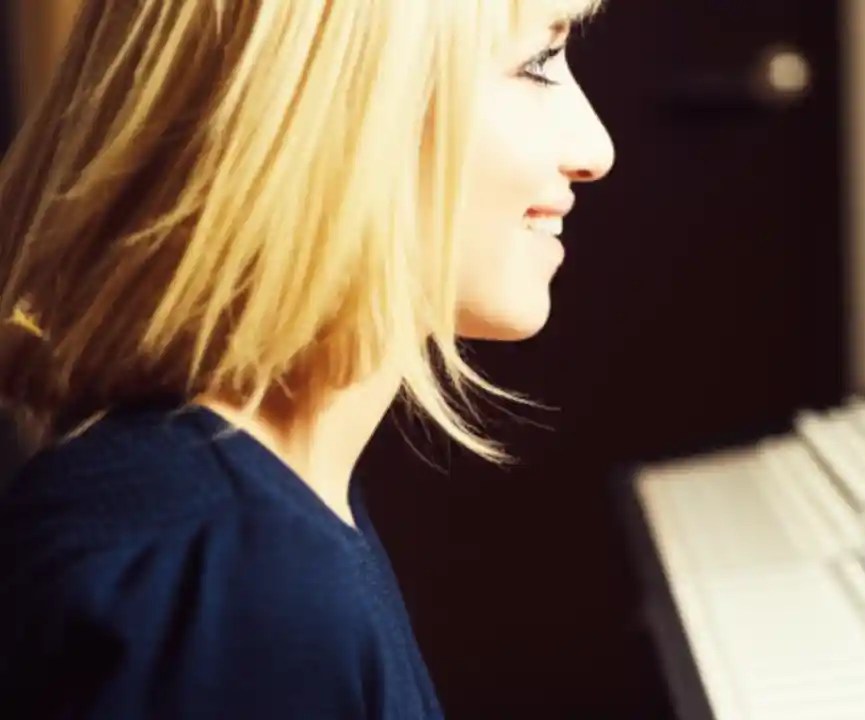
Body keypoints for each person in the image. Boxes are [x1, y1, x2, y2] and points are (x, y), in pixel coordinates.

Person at [0, 0, 615, 717]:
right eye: (538, 62)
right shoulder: (236, 589)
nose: (596, 149)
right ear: (339, 110)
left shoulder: (260, 516)